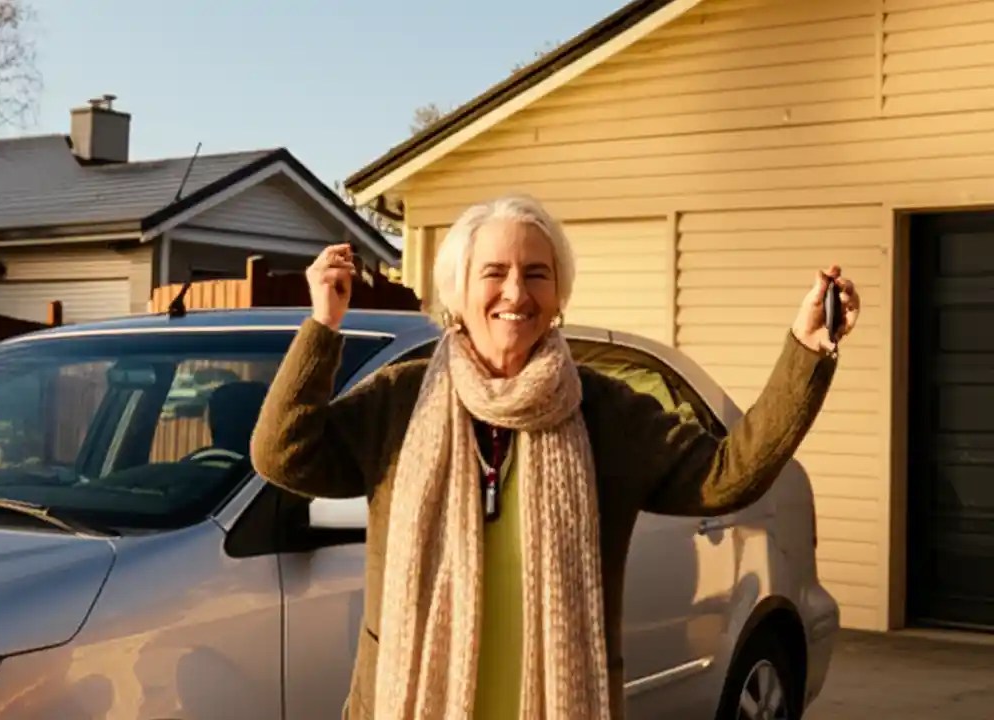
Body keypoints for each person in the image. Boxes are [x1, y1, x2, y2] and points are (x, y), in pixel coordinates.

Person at [249, 193, 859, 720]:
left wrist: (807, 351)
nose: (516, 291)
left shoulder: (607, 413)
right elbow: (283, 453)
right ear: (457, 293)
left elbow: (728, 475)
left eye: (536, 273)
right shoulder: (401, 401)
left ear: (559, 294)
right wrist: (323, 326)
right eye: (495, 271)